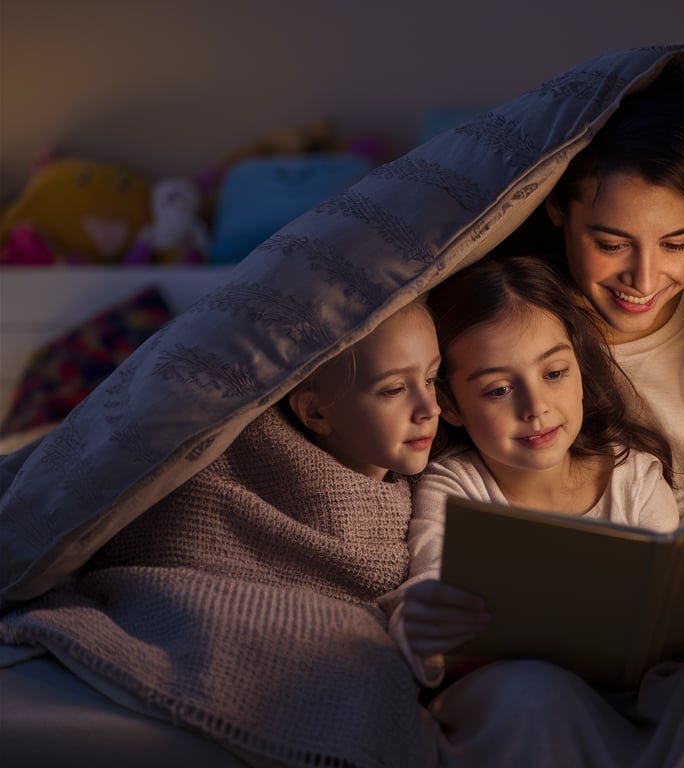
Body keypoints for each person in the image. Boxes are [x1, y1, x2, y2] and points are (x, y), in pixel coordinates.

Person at [0, 300, 446, 767]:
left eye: (432, 378)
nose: (429, 407)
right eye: (394, 389)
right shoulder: (244, 463)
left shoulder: (437, 484)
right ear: (315, 412)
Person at [389, 250, 679, 686]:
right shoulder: (456, 489)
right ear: (449, 404)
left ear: (579, 368)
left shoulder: (634, 480)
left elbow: (671, 615)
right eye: (499, 389)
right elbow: (431, 585)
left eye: (555, 373)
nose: (535, 407)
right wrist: (422, 624)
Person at [531, 68, 684, 517]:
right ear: (557, 206)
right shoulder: (514, 326)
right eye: (612, 245)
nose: (644, 282)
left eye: (677, 244)